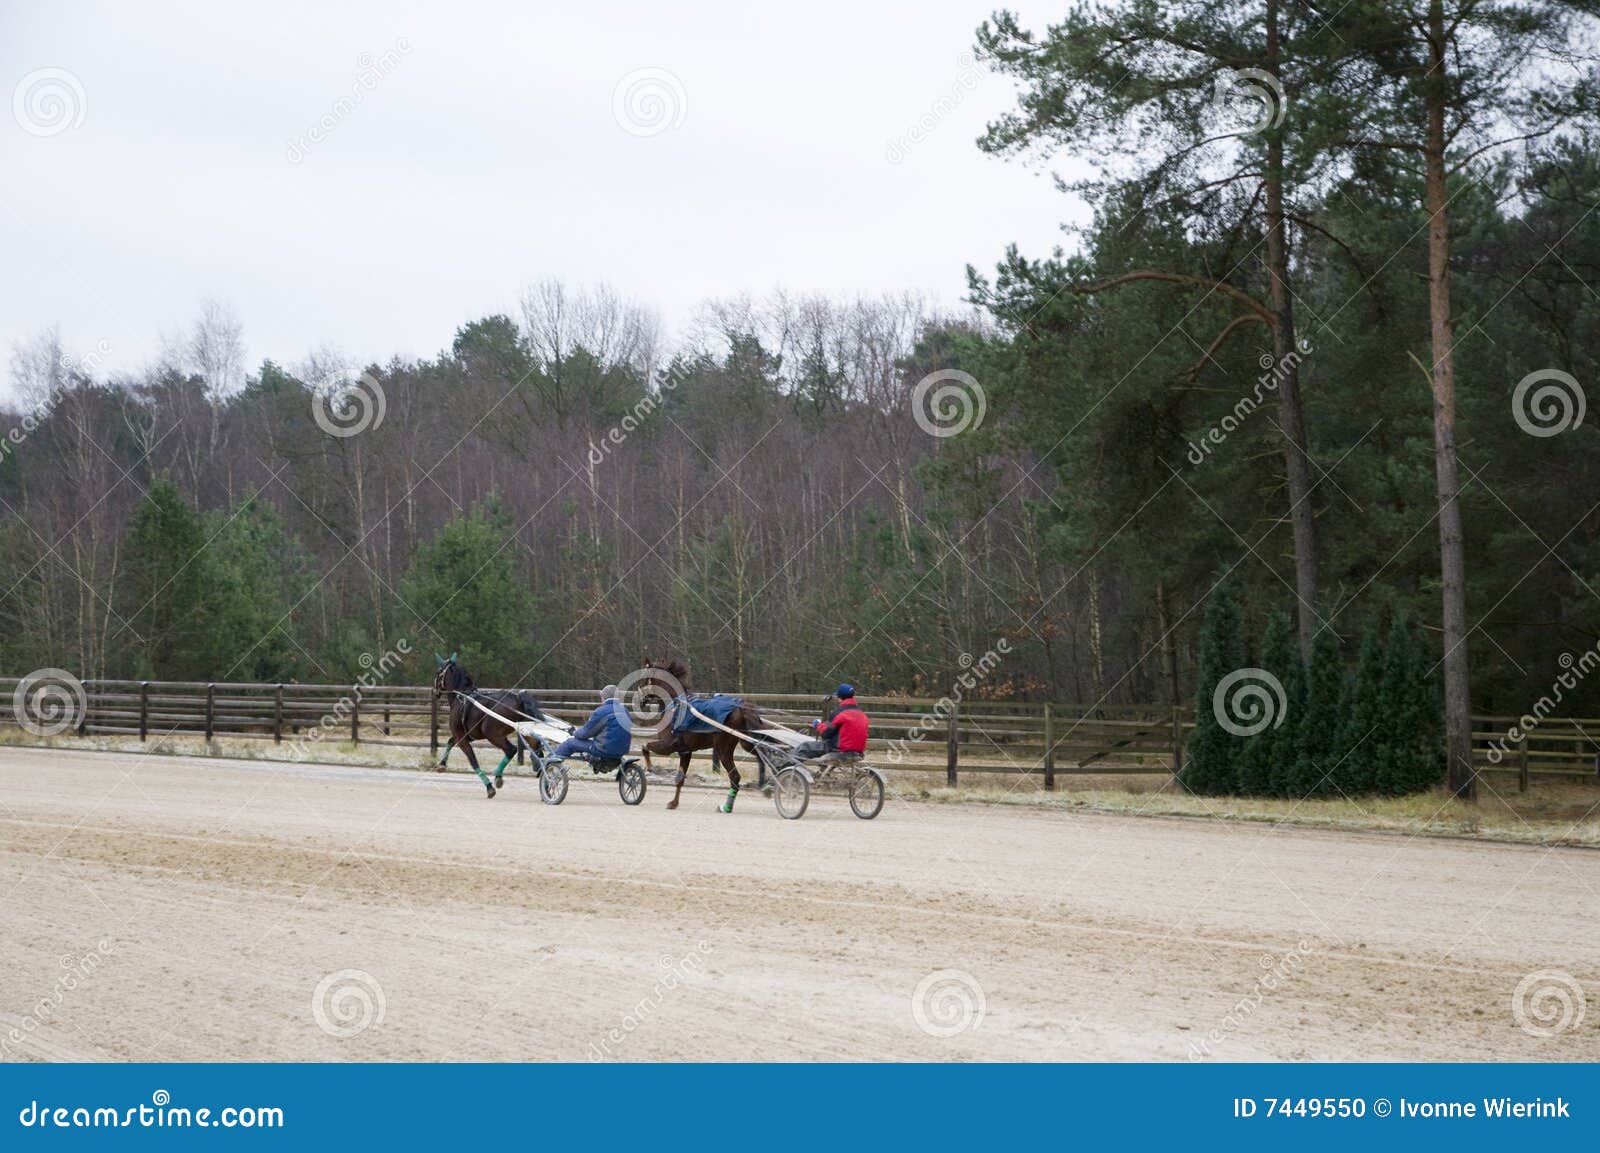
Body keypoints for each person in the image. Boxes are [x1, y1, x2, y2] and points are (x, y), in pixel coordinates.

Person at [552, 685, 632, 762]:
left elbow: (585, 733)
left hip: (604, 749)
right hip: (622, 749)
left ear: (602, 697)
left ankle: (551, 765)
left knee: (569, 743)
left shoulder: (601, 711)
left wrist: (574, 733)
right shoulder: (625, 710)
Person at [797, 684, 869, 761]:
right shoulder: (862, 714)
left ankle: (784, 767)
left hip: (839, 749)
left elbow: (825, 734)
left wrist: (817, 725)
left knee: (804, 747)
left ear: (839, 698)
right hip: (858, 751)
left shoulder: (839, 713)